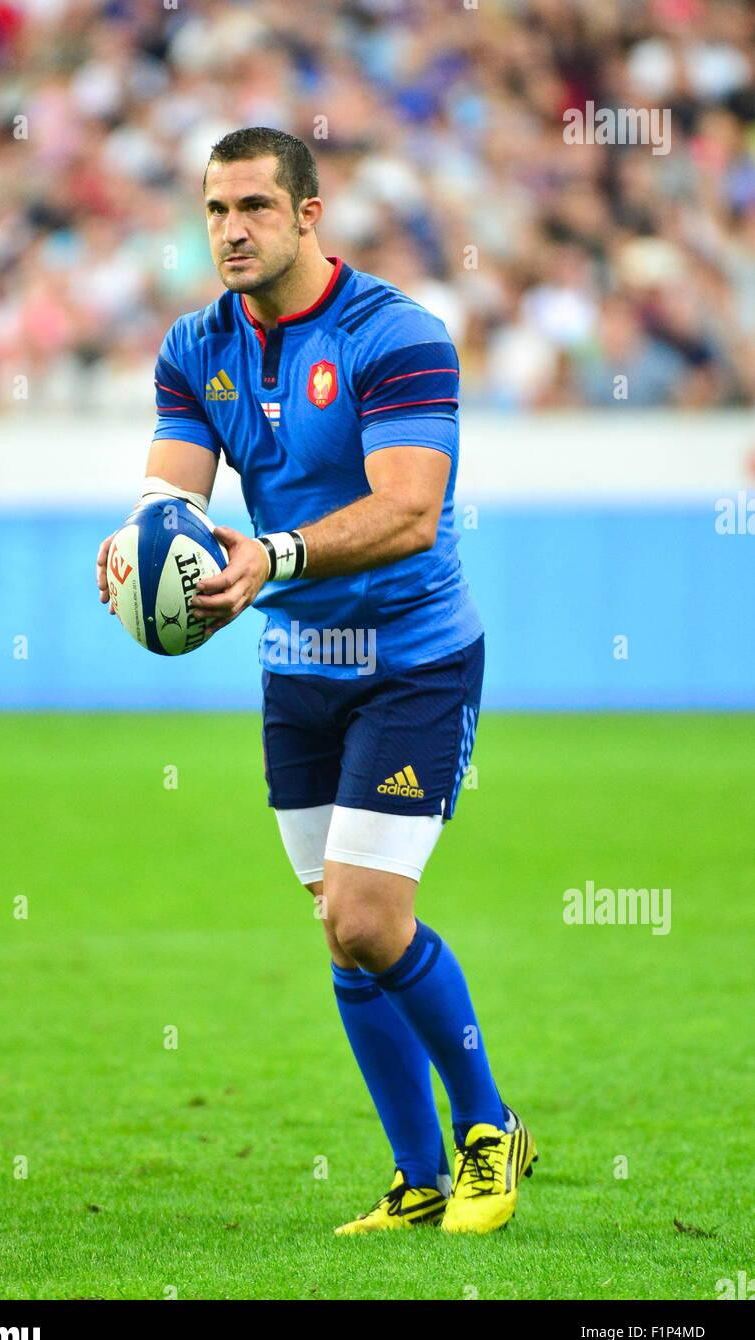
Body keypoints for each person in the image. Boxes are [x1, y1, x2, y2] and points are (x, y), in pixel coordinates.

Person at [96, 127, 537, 1234]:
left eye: (252, 206)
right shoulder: (194, 347)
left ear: (307, 213)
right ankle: (415, 1176)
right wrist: (135, 544)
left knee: (368, 913)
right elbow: (171, 497)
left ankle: (487, 1132)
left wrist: (274, 555)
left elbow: (408, 509)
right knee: (337, 925)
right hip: (296, 666)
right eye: (213, 210)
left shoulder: (397, 335)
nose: (230, 230)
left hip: (413, 658)